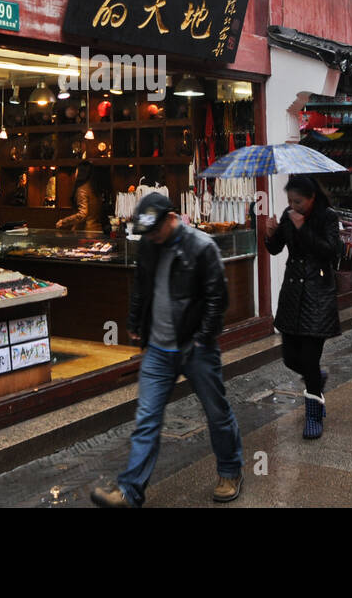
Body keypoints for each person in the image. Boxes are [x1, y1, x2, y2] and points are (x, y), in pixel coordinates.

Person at [90, 194, 242, 507]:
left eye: (156, 230)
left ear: (172, 218)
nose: (153, 237)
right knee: (147, 419)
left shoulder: (201, 247)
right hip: (158, 349)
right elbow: (141, 287)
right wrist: (135, 323)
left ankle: (230, 470)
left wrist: (202, 338)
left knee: (217, 412)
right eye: (148, 232)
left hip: (195, 347)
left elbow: (218, 299)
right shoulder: (148, 244)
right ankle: (129, 491)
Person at [263, 174, 344, 439]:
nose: (294, 206)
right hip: (292, 295)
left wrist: (303, 229)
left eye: (298, 201)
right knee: (290, 357)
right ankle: (315, 378)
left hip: (318, 296)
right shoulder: (289, 215)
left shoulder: (328, 217)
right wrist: (270, 234)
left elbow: (331, 252)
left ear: (311, 198)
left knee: (309, 360)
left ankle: (313, 414)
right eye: (290, 201)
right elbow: (275, 249)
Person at [55, 160, 103, 231]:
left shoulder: (82, 189)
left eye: (76, 170)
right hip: (97, 229)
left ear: (81, 172)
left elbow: (82, 214)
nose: (75, 173)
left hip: (85, 231)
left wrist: (64, 221)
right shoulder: (94, 187)